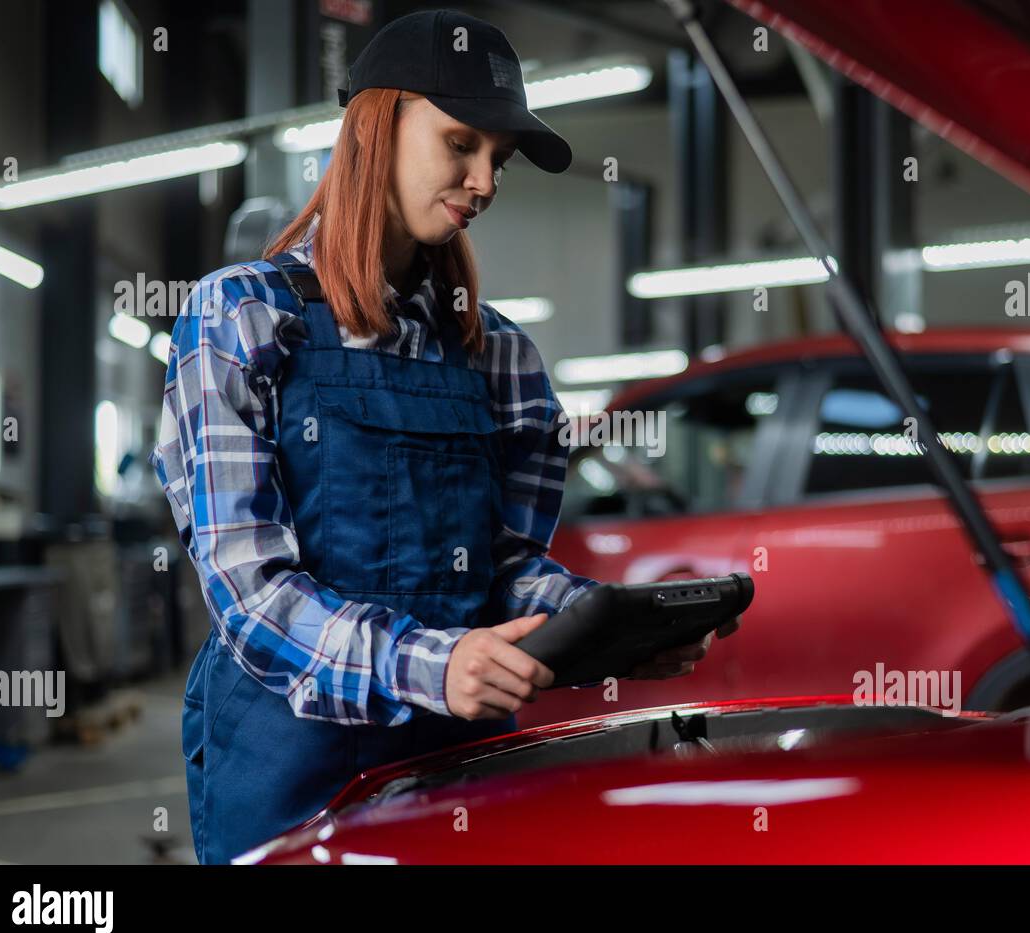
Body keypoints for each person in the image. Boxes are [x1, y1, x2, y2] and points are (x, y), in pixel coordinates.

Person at [150, 9, 735, 865]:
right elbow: (250, 592)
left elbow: (499, 566)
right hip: (293, 766)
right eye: (462, 143)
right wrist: (435, 666)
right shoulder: (241, 315)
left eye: (498, 160)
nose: (485, 182)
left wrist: (594, 625)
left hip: (459, 759)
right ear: (374, 130)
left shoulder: (496, 353)